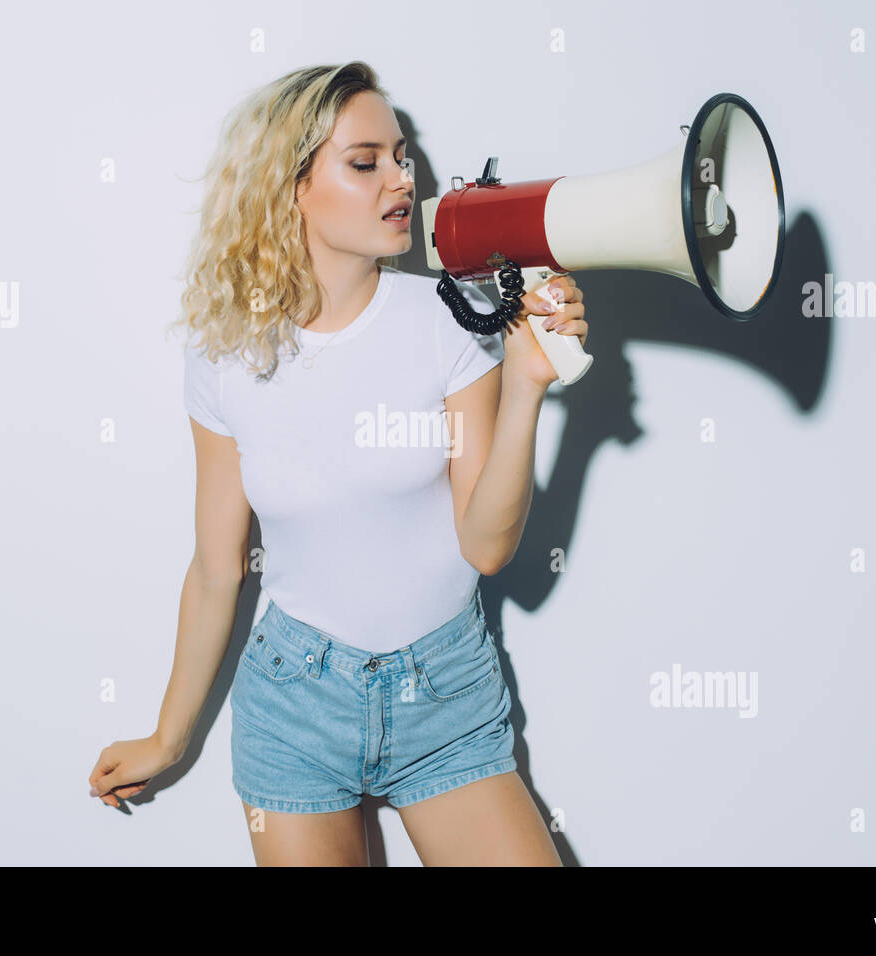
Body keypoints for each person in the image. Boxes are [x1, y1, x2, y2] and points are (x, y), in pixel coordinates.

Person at [88, 61, 588, 866]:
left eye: (402, 156)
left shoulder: (448, 320)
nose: (400, 178)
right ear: (291, 189)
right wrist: (166, 737)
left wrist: (529, 385)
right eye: (366, 162)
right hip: (294, 702)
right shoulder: (225, 353)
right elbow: (219, 570)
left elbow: (488, 547)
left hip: (446, 694)